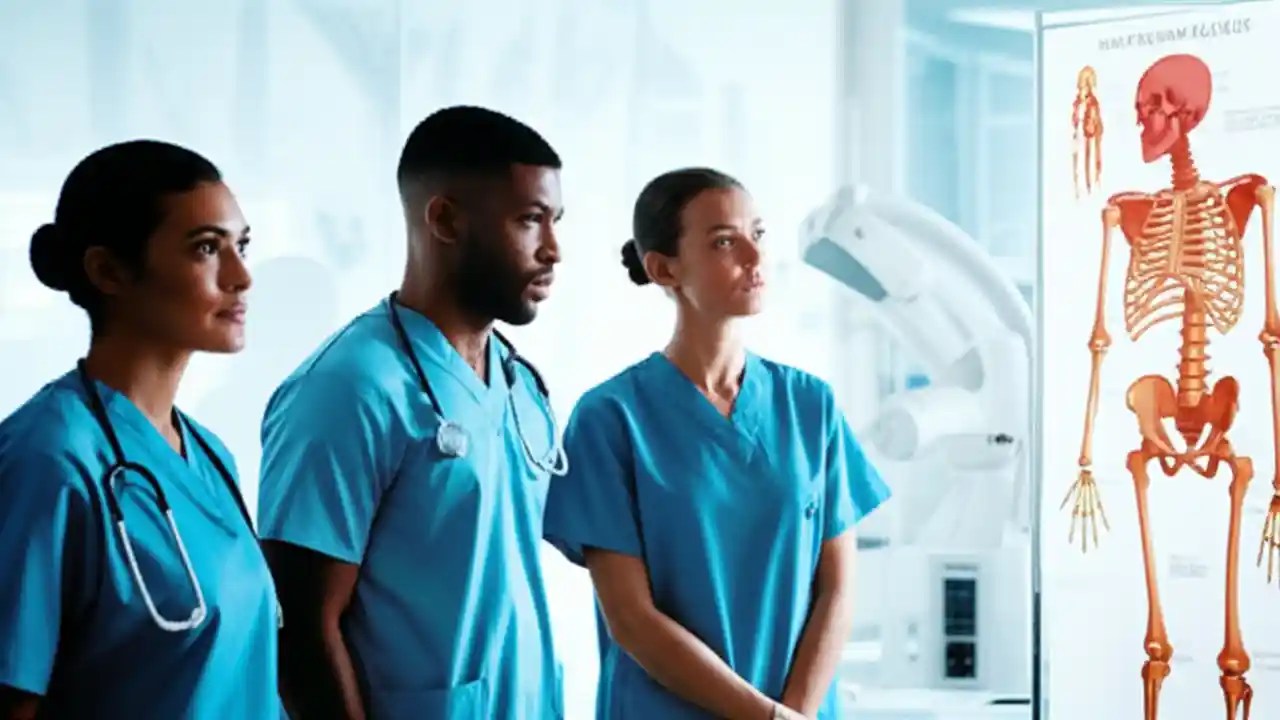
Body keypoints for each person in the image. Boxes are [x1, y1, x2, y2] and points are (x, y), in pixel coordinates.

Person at [543, 167, 891, 720]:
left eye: (758, 234)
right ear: (664, 268)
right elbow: (631, 620)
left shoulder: (809, 407)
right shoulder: (610, 420)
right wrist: (766, 717)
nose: (755, 258)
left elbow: (837, 590)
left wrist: (794, 714)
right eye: (725, 242)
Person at [257, 105, 567, 720]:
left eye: (555, 221)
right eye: (530, 221)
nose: (554, 250)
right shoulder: (347, 389)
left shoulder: (520, 382)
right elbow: (300, 628)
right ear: (446, 219)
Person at [0, 140, 280, 719]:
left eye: (242, 246)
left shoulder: (208, 455)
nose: (241, 276)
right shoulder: (48, 460)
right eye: (207, 248)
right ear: (109, 270)